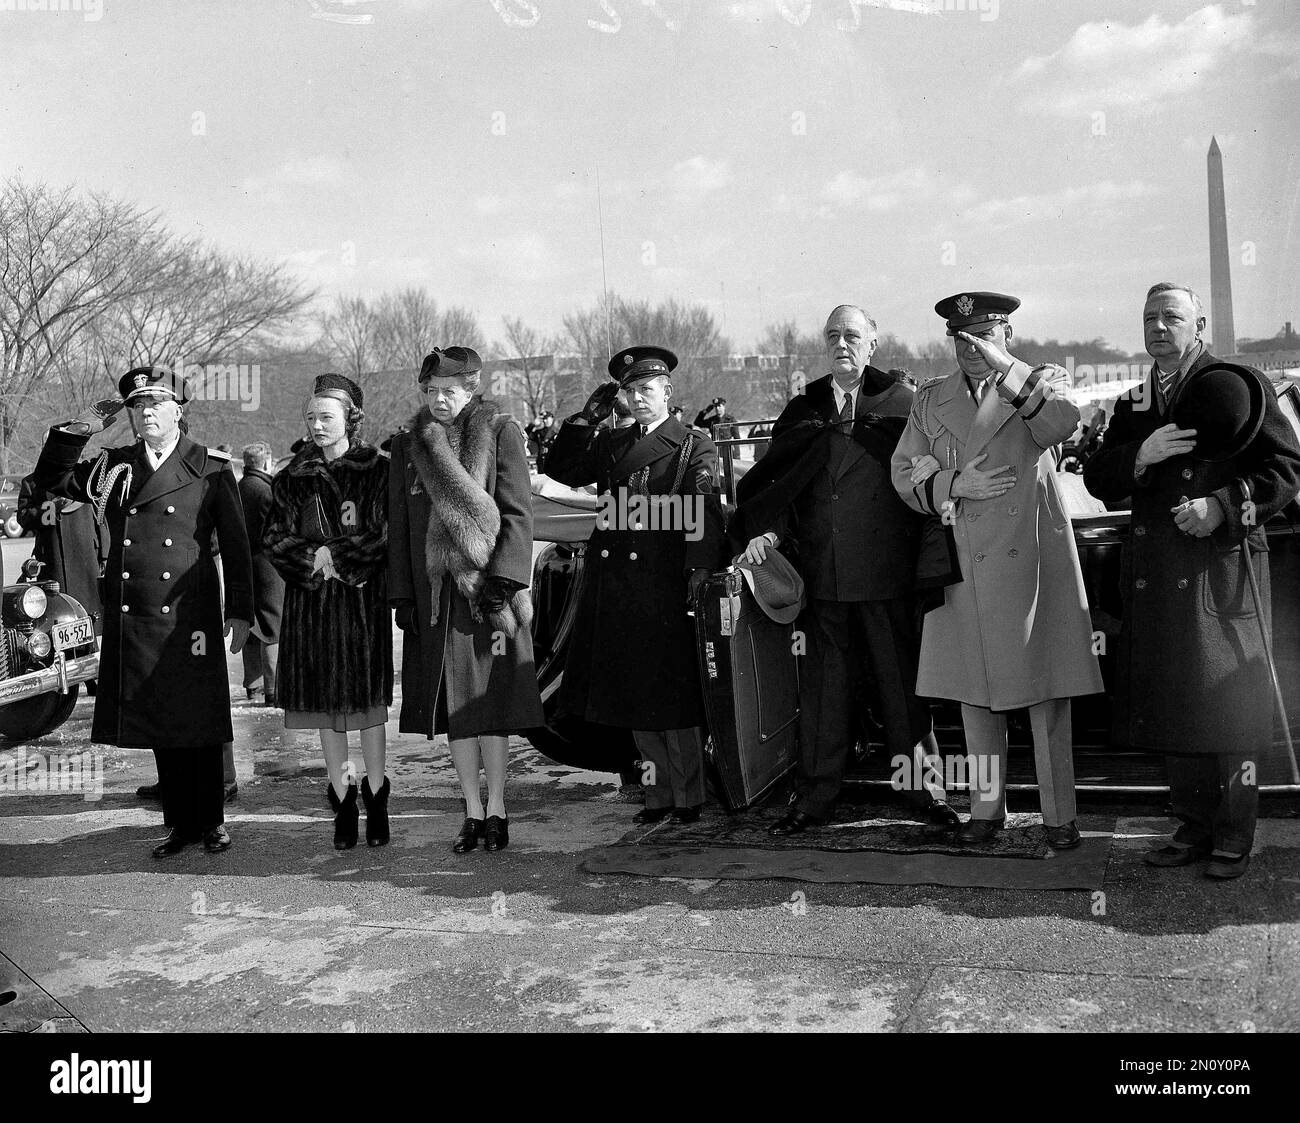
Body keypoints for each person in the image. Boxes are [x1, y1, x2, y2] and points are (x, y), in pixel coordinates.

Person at [1084, 282, 1300, 879]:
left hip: (1221, 576)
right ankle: (1191, 826)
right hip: (1157, 577)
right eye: (1150, 317)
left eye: (1172, 317)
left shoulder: (1236, 386)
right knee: (1176, 704)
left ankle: (1234, 833)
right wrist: (1141, 455)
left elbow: (1287, 470)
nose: (1158, 327)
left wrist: (1225, 507)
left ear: (1198, 325)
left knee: (1228, 707)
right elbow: (1102, 477)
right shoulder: (1133, 401)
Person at [732, 304, 958, 835]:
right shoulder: (804, 409)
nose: (842, 344)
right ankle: (815, 798)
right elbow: (782, 484)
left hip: (888, 576)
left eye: (853, 335)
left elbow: (932, 478)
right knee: (823, 693)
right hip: (824, 577)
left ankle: (926, 794)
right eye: (833, 334)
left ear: (873, 343)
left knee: (903, 690)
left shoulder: (904, 404)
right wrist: (769, 533)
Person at [891, 292, 1103, 848]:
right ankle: (986, 811)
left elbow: (1060, 426)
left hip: (1030, 558)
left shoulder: (1038, 384)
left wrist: (1011, 372)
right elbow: (901, 471)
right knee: (974, 691)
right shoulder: (930, 399)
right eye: (961, 340)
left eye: (983, 337)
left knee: (1044, 693)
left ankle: (1060, 817)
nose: (972, 349)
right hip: (962, 559)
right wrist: (951, 484)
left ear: (1006, 333)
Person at [30, 365, 252, 858]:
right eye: (137, 406)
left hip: (190, 615)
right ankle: (179, 823)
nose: (146, 412)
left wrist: (240, 610)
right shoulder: (116, 467)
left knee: (199, 718)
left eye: (157, 404)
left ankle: (211, 820)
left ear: (179, 411)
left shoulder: (210, 468)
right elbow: (50, 479)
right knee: (160, 718)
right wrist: (80, 429)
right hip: (137, 615)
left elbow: (237, 548)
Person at [546, 345, 725, 823]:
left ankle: (688, 796)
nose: (639, 398)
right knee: (634, 694)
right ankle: (656, 794)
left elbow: (703, 513)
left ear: (667, 392)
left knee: (673, 695)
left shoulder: (692, 442)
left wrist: (699, 570)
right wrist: (585, 421)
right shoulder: (611, 444)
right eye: (630, 390)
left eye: (647, 389)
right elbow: (560, 470)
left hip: (665, 584)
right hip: (617, 586)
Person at [388, 346, 544, 854]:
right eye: (431, 391)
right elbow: (403, 531)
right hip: (438, 599)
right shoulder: (408, 446)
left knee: (489, 708)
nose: (439, 399)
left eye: (449, 391)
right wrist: (404, 595)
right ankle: (472, 810)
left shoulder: (500, 431)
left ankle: (497, 808)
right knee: (455, 712)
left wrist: (505, 577)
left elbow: (518, 512)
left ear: (471, 389)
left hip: (488, 594)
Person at [263, 374, 393, 851]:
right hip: (313, 606)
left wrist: (338, 557)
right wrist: (312, 560)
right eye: (312, 417)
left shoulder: (379, 468)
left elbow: (386, 530)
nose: (317, 425)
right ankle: (343, 799)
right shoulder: (290, 476)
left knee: (367, 710)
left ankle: (378, 797)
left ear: (350, 419)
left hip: (361, 604)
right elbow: (274, 537)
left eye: (326, 417)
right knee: (326, 712)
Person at [16, 471, 107, 634]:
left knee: (92, 616)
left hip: (87, 555)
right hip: (53, 557)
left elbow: (101, 517)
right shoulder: (32, 482)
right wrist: (52, 508)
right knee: (58, 613)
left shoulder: (84, 476)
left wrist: (105, 555)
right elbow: (24, 519)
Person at [237, 442, 283, 706]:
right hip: (268, 566)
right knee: (272, 627)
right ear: (265, 462)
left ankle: (252, 685)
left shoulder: (239, 487)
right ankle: (273, 688)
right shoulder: (265, 490)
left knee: (251, 625)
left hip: (245, 564)